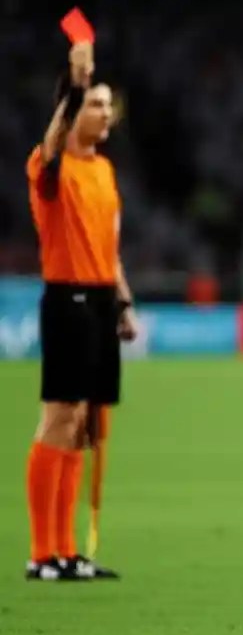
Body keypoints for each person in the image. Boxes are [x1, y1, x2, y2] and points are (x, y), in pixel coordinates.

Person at [24, 41, 137, 581]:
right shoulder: (50, 168)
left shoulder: (105, 172)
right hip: (65, 297)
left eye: (107, 103)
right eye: (95, 103)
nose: (105, 112)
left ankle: (68, 551)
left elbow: (109, 248)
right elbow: (50, 144)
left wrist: (123, 300)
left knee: (85, 428)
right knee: (58, 418)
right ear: (71, 114)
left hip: (97, 300)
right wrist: (73, 81)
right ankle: (41, 553)